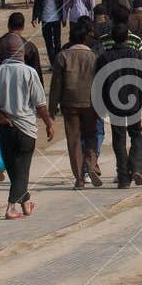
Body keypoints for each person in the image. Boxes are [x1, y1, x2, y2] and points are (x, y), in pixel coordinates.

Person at [0, 46, 55, 218]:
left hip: (5, 128)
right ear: (22, 55)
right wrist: (49, 123)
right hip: (26, 128)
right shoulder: (29, 72)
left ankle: (26, 203)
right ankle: (10, 207)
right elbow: (40, 104)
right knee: (22, 169)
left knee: (14, 169)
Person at [95, 26, 142, 188]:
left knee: (119, 138)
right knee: (136, 134)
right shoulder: (137, 56)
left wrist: (99, 105)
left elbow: (97, 83)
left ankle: (123, 178)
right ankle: (136, 167)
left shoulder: (104, 58)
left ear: (112, 38)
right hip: (134, 103)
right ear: (127, 38)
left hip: (113, 104)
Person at [49, 20, 102, 189]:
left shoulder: (62, 56)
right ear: (85, 38)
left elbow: (56, 85)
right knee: (91, 135)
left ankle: (79, 178)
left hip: (69, 103)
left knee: (74, 140)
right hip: (90, 102)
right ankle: (91, 165)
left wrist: (52, 109)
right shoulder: (93, 56)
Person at [0, 10, 42, 76]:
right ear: (23, 27)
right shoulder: (30, 47)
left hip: (0, 81)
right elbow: (37, 75)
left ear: (8, 25)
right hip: (22, 81)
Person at [31, 0, 65, 69]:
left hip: (56, 20)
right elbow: (36, 6)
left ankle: (59, 63)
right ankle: (53, 64)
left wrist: (63, 18)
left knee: (57, 43)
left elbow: (63, 5)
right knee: (48, 43)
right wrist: (34, 18)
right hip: (45, 20)